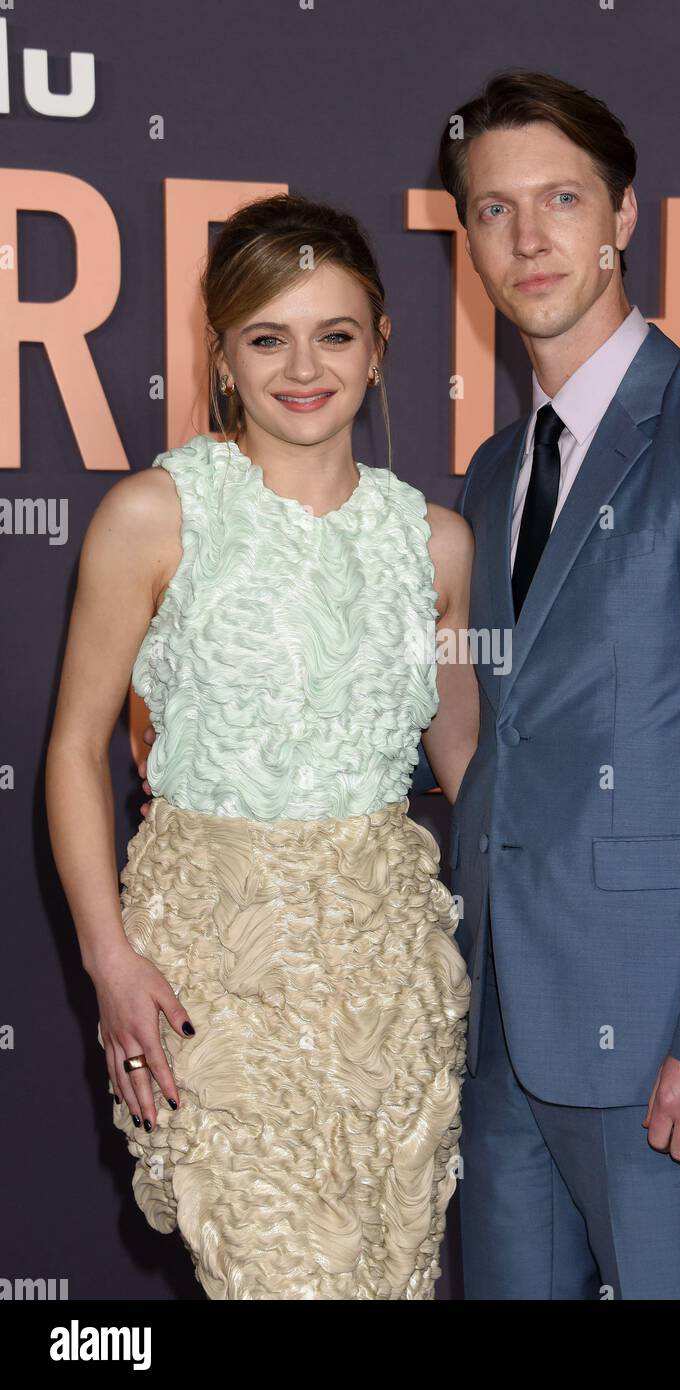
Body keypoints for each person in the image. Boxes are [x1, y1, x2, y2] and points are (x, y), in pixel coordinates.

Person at [421, 70, 680, 1299]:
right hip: (503, 1041)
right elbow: (495, 742)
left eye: (561, 198)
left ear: (622, 217)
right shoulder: (497, 473)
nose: (530, 235)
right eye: (493, 211)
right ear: (470, 244)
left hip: (665, 1044)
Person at [45, 193, 477, 1300]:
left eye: (335, 334)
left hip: (388, 981)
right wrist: (110, 959)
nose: (304, 366)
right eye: (267, 337)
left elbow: (467, 755)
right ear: (223, 354)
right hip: (213, 972)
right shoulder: (154, 514)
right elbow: (73, 749)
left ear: (379, 350)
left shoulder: (435, 542)